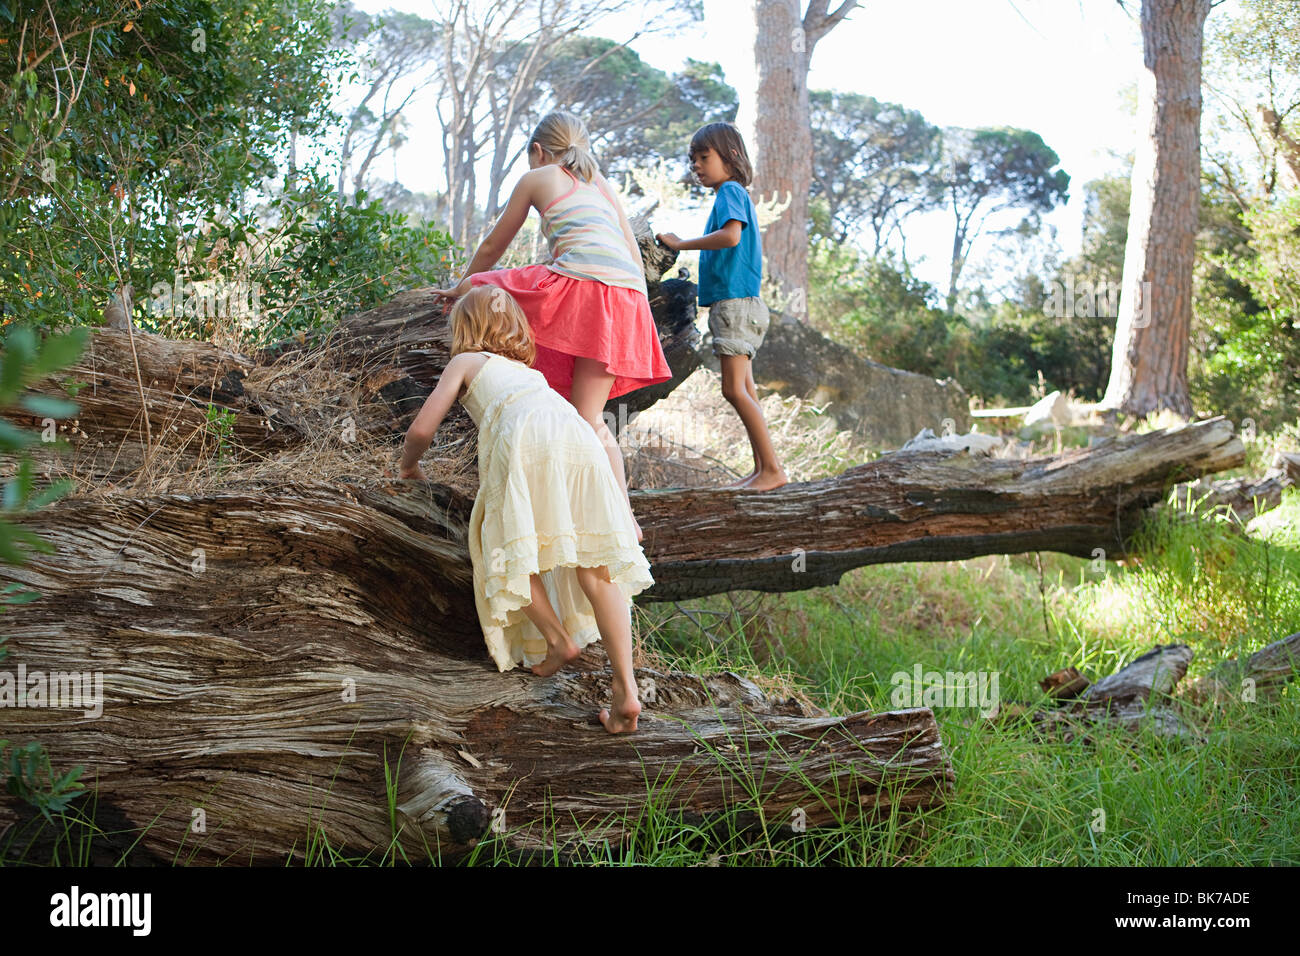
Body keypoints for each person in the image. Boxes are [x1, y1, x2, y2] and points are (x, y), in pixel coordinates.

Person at [399, 286, 649, 734]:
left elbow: (422, 427)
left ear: (466, 328)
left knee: (505, 543)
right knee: (595, 565)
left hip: (523, 437)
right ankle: (627, 689)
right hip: (576, 434)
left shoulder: (465, 362)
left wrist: (409, 466)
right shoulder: (529, 373)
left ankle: (558, 640)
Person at [433, 110, 671, 543]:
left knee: (482, 285)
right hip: (627, 300)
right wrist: (635, 310)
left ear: (538, 152)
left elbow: (493, 245)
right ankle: (624, 517)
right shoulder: (600, 182)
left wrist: (461, 287)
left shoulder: (538, 176)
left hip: (579, 287)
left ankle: (458, 292)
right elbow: (633, 259)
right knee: (590, 417)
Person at [656, 123, 788, 491]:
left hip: (736, 306)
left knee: (733, 390)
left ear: (730, 156)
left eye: (704, 157)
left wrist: (682, 244)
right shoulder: (732, 193)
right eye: (692, 159)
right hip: (741, 305)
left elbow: (730, 236)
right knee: (747, 389)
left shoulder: (730, 191)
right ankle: (764, 469)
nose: (696, 165)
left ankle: (773, 470)